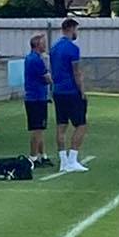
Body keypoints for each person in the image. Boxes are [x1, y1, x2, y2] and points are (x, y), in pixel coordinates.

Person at [49, 17, 89, 171]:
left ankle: (63, 161)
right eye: (76, 29)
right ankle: (72, 159)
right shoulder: (73, 48)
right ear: (71, 29)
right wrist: (82, 91)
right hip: (71, 91)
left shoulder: (54, 48)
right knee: (81, 125)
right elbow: (76, 72)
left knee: (61, 126)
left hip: (58, 90)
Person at [23, 31, 53, 166]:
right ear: (37, 45)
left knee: (40, 128)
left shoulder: (30, 58)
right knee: (37, 129)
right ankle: (33, 157)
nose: (45, 46)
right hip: (36, 98)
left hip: (35, 97)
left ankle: (42, 155)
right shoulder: (36, 60)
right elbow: (47, 78)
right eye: (43, 43)